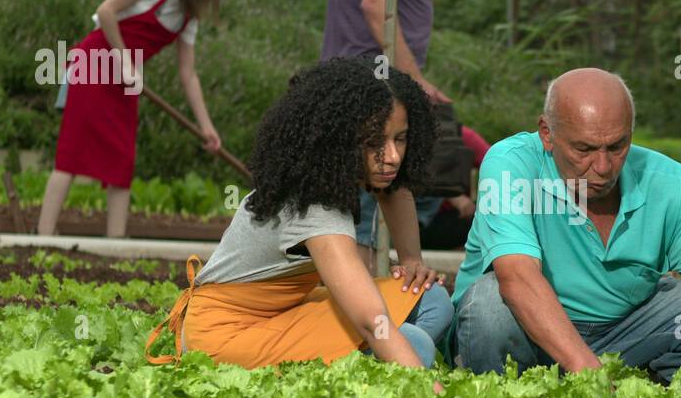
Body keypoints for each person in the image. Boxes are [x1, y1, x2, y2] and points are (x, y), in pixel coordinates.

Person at [450, 68, 681, 384]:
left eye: (617, 147)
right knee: (489, 306)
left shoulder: (672, 184)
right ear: (547, 133)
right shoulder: (511, 164)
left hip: (619, 333)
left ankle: (662, 396)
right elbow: (517, 277)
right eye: (583, 149)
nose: (602, 167)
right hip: (527, 333)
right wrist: (596, 384)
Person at [145, 57, 452, 372]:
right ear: (337, 141)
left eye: (400, 138)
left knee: (431, 299)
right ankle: (378, 372)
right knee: (412, 342)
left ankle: (369, 366)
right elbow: (373, 323)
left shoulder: (331, 173)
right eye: (375, 142)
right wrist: (433, 396)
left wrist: (412, 259)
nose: (393, 157)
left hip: (280, 312)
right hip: (223, 336)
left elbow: (394, 189)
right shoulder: (315, 208)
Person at [319, 0, 472, 267]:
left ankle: (368, 310)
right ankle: (370, 317)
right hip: (371, 81)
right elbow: (375, 3)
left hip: (357, 78)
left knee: (366, 198)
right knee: (370, 206)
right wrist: (414, 80)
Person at [39, 0, 230, 238]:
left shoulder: (187, 19)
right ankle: (43, 237)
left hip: (126, 79)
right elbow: (106, 11)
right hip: (93, 62)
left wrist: (207, 127)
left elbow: (188, 75)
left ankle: (115, 243)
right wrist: (126, 61)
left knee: (122, 158)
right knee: (71, 150)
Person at [416, 125, 490, 249]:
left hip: (455, 217)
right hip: (419, 223)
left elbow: (498, 166)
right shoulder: (409, 135)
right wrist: (453, 195)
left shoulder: (464, 136)